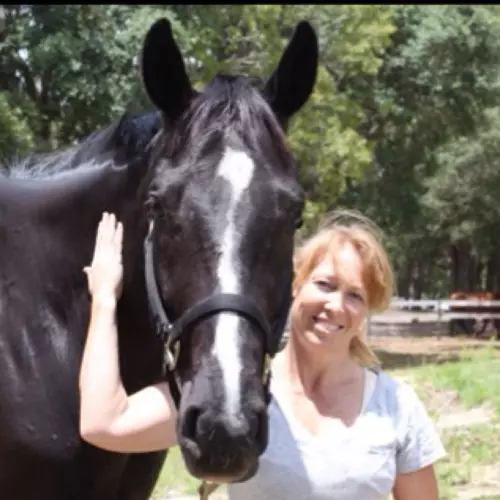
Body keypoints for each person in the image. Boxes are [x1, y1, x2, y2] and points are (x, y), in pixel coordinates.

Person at [79, 210, 446, 499]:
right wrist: (105, 299)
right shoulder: (235, 393)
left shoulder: (396, 405)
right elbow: (105, 424)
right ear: (293, 288)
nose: (335, 305)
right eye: (325, 285)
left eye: (355, 295)